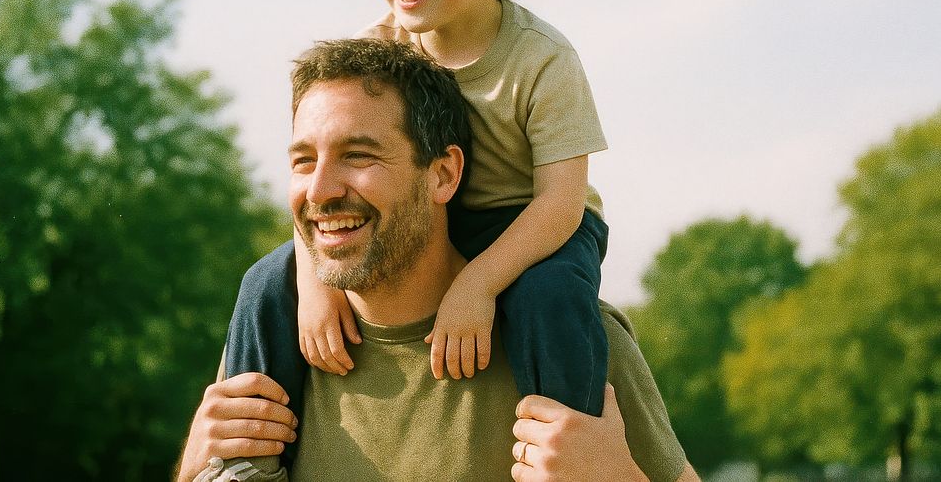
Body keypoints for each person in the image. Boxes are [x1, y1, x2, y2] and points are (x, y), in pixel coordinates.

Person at [248, 0, 612, 468]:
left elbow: (562, 204)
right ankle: (249, 454)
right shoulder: (378, 52)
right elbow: (318, 171)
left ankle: (561, 453)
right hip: (426, 215)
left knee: (547, 297)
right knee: (266, 280)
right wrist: (314, 289)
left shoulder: (542, 58)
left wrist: (476, 285)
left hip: (533, 226)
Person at [176, 39, 697, 481]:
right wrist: (195, 463)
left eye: (359, 156)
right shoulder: (273, 336)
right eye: (303, 161)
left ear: (444, 174)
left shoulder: (569, 331)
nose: (321, 190)